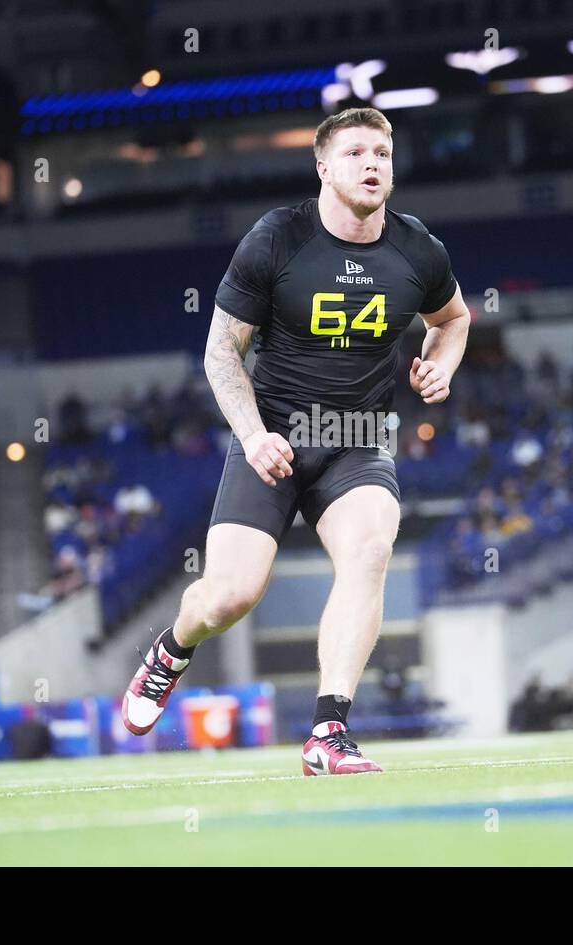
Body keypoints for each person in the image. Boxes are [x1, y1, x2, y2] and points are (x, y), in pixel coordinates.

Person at [121, 107, 470, 775]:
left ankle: (328, 732)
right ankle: (169, 651)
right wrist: (251, 436)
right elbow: (222, 351)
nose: (373, 165)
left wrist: (441, 363)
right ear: (323, 168)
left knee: (370, 552)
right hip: (274, 437)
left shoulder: (417, 248)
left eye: (383, 154)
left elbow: (453, 319)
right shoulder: (276, 239)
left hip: (358, 439)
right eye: (357, 153)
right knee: (228, 596)